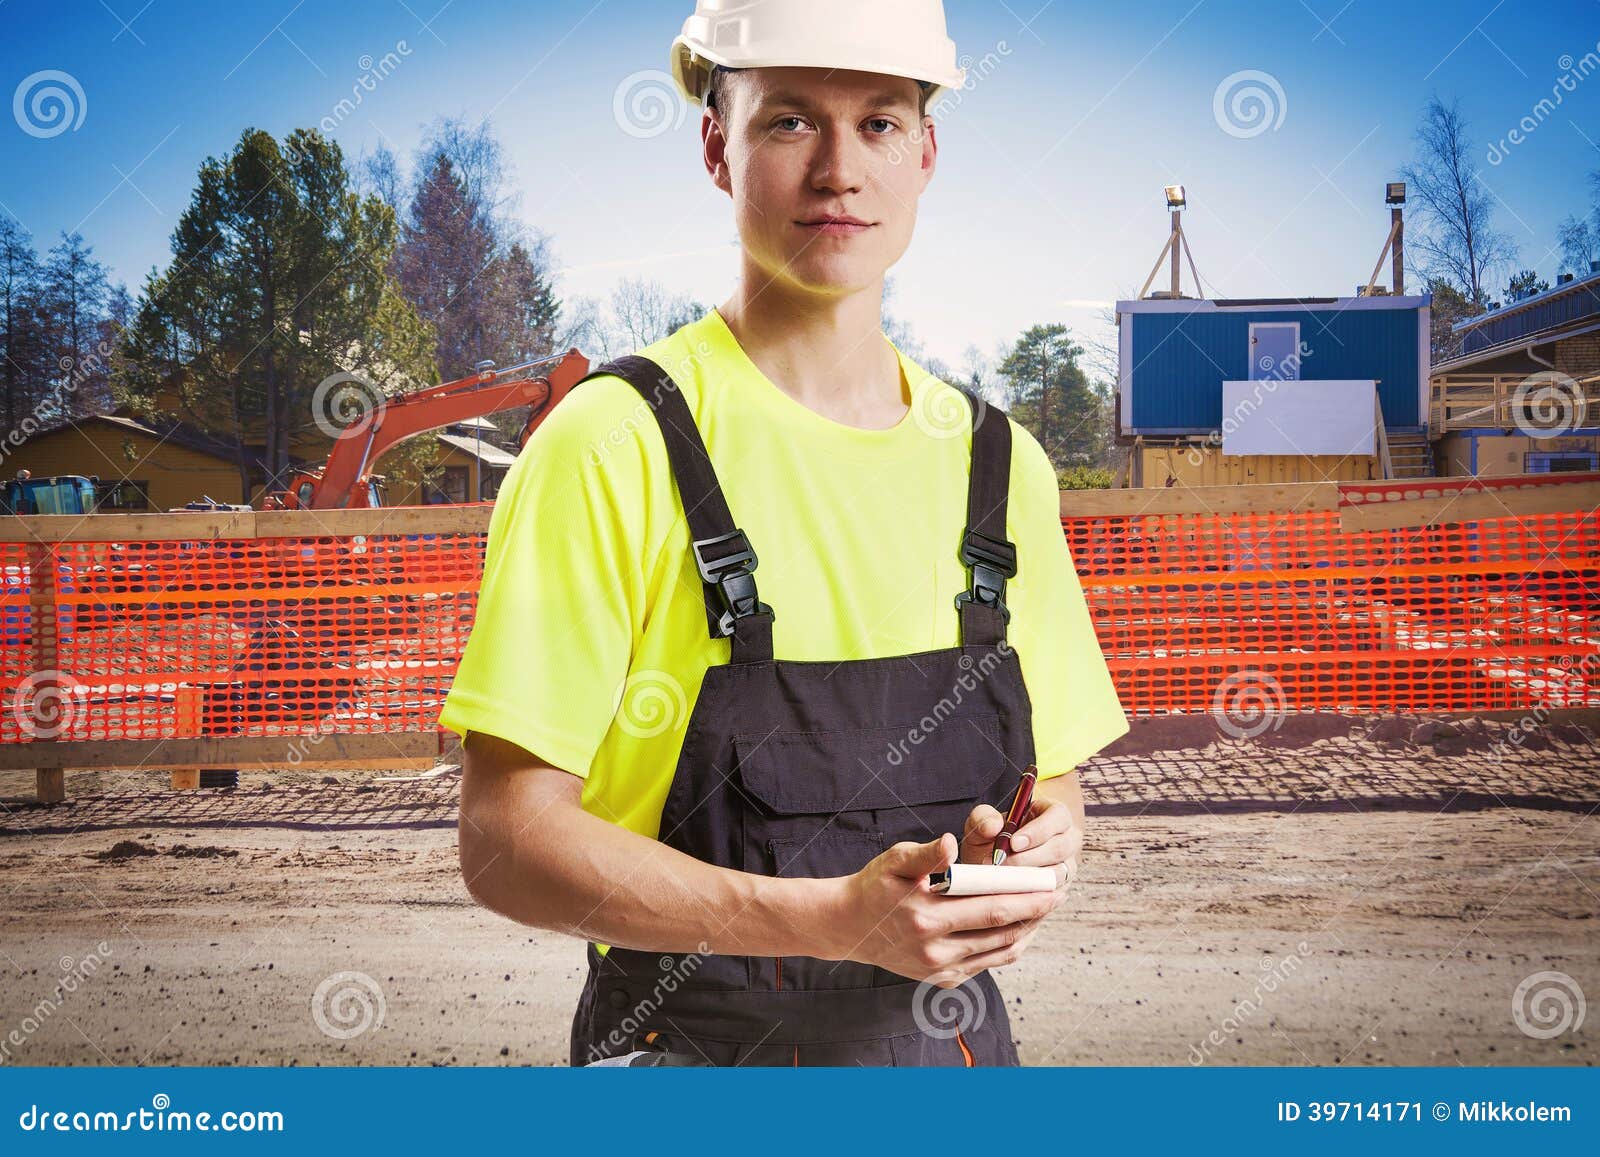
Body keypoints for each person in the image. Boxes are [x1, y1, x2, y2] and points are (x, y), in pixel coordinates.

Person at [439, 0, 1130, 1067]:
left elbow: (1059, 780)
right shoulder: (615, 445)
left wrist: (1046, 844)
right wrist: (824, 918)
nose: (839, 171)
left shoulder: (998, 466)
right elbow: (504, 839)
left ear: (926, 152)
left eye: (880, 124)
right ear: (718, 145)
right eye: (790, 121)